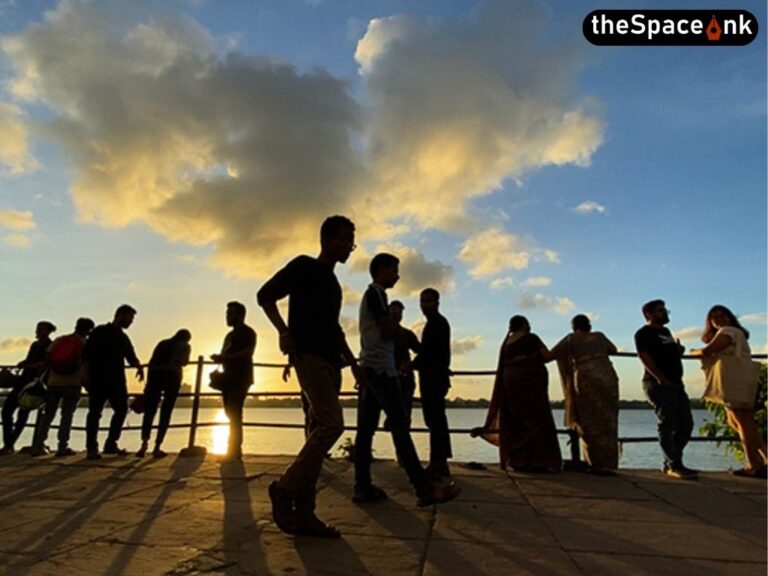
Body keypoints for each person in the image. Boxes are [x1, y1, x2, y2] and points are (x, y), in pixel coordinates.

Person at [257, 215, 361, 538]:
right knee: (332, 425)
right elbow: (265, 296)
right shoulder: (303, 267)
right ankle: (284, 487)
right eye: (344, 240)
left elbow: (334, 328)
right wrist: (283, 331)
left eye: (351, 242)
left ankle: (305, 513)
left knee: (317, 433)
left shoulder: (333, 285)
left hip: (332, 365)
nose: (348, 247)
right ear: (327, 240)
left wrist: (353, 363)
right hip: (310, 359)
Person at [354, 253, 460, 506]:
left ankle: (362, 486)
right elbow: (388, 330)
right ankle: (424, 488)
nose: (398, 275)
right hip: (381, 370)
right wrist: (398, 331)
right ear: (381, 270)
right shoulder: (376, 294)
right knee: (400, 426)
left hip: (370, 367)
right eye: (394, 270)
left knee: (366, 430)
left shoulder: (373, 296)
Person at [471, 315, 562, 472]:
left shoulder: (507, 343)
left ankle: (519, 460)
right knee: (537, 419)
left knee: (517, 420)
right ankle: (539, 461)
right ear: (524, 325)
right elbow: (547, 357)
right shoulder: (532, 338)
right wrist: (562, 348)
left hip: (510, 382)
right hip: (531, 383)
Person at [692, 305, 766, 478]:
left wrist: (692, 352)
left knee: (743, 422)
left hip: (734, 381)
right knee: (737, 421)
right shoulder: (734, 332)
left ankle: (753, 465)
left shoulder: (728, 331)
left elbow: (708, 351)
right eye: (714, 317)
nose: (719, 318)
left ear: (730, 317)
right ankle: (764, 457)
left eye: (722, 315)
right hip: (737, 381)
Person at [635, 299, 696, 479]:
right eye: (660, 311)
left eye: (665, 310)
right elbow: (643, 356)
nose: (665, 313)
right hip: (658, 384)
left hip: (676, 383)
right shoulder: (643, 333)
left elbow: (668, 352)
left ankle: (672, 462)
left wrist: (678, 350)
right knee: (667, 423)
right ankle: (674, 464)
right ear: (649, 314)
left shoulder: (666, 332)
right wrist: (659, 378)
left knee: (686, 424)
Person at [551, 315, 620, 475]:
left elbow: (550, 354)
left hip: (586, 376)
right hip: (606, 374)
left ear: (574, 327)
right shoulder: (600, 336)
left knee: (588, 419)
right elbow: (613, 349)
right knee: (608, 419)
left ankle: (595, 463)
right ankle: (608, 464)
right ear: (589, 325)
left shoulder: (571, 339)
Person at [82, 304, 144, 460]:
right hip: (100, 378)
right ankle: (93, 447)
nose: (131, 322)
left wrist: (138, 366)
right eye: (130, 318)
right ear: (121, 315)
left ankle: (108, 444)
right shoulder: (100, 332)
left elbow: (131, 356)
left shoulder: (122, 337)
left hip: (115, 379)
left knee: (119, 410)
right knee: (96, 413)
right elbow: (86, 355)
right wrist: (85, 375)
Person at [30, 318, 95, 457]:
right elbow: (85, 365)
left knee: (47, 415)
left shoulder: (59, 340)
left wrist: (38, 378)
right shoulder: (84, 344)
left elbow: (46, 360)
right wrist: (87, 384)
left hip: (53, 382)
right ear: (88, 331)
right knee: (66, 416)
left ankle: (38, 446)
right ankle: (62, 447)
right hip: (73, 383)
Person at [413, 288, 453, 480]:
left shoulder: (437, 323)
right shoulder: (435, 323)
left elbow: (429, 354)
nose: (424, 305)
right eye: (422, 302)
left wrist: (410, 365)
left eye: (428, 301)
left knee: (435, 421)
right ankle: (440, 461)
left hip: (433, 379)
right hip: (434, 378)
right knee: (436, 421)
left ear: (437, 303)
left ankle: (439, 463)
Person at [0, 321, 57, 455]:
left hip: (34, 384)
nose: (38, 331)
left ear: (48, 331)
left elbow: (45, 364)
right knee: (7, 411)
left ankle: (10, 443)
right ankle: (9, 442)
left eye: (41, 329)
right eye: (38, 329)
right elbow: (30, 360)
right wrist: (23, 363)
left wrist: (33, 367)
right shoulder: (35, 344)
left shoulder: (49, 345)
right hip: (23, 382)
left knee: (22, 413)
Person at [137, 329, 192, 458]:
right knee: (166, 411)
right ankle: (157, 446)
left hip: (155, 377)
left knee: (150, 411)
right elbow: (184, 362)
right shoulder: (185, 345)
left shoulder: (162, 343)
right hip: (172, 377)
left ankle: (144, 444)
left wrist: (149, 383)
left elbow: (152, 362)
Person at [211, 302, 256, 462]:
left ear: (240, 315)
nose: (228, 317)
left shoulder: (248, 332)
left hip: (241, 377)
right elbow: (227, 353)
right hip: (228, 378)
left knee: (234, 412)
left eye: (231, 314)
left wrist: (226, 358)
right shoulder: (229, 335)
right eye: (227, 314)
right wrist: (220, 357)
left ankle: (234, 451)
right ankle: (233, 450)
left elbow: (248, 352)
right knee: (231, 413)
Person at [388, 300, 420, 427]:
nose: (397, 314)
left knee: (404, 412)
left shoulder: (406, 334)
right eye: (394, 310)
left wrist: (410, 365)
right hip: (390, 375)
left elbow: (420, 350)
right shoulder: (382, 334)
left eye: (399, 312)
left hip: (404, 377)